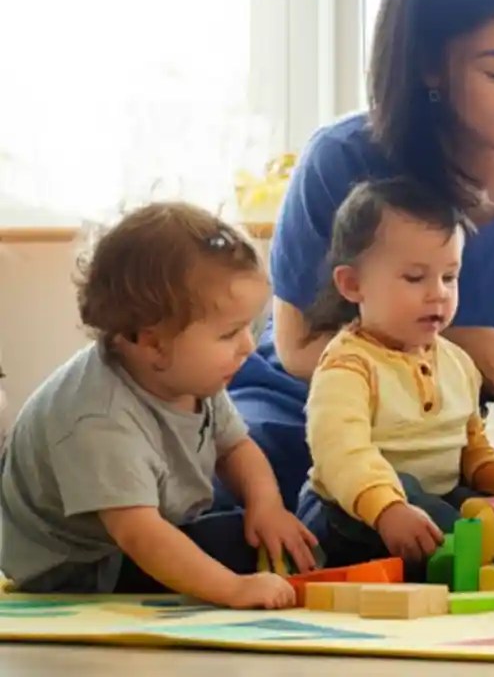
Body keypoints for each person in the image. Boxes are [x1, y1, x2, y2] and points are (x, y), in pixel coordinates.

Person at [226, 0, 494, 514]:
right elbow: (297, 350)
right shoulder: (342, 158)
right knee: (244, 500)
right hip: (299, 414)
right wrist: (461, 346)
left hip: (436, 439)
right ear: (430, 65)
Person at [0, 203, 316, 609]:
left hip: (147, 527)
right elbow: (139, 534)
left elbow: (235, 447)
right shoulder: (98, 419)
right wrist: (234, 589)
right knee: (231, 545)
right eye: (229, 334)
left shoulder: (189, 375)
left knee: (267, 528)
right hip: (81, 566)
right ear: (152, 341)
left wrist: (266, 505)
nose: (249, 346)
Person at [298, 177, 494, 573]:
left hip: (434, 499)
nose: (438, 293)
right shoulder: (347, 366)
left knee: (471, 509)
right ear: (353, 285)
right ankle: (475, 552)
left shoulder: (457, 362)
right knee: (413, 492)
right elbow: (342, 454)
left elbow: (470, 447)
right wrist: (388, 508)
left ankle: (485, 550)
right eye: (416, 278)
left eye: (449, 277)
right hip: (352, 510)